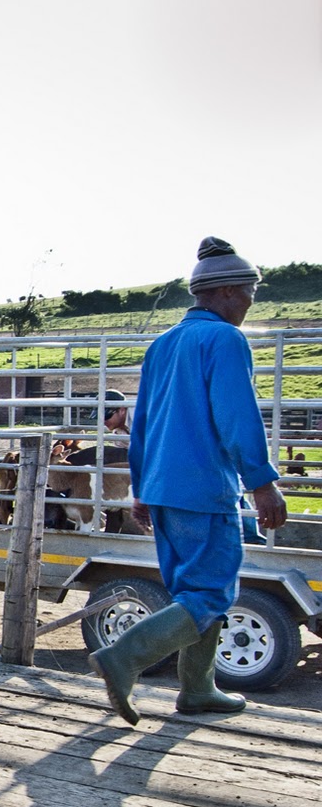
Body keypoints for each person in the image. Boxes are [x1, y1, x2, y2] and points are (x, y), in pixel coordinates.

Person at [90, 237, 287, 723]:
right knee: (212, 593)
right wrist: (262, 482)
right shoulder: (224, 340)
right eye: (250, 292)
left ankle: (199, 688)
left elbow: (143, 423)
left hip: (163, 489)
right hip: (203, 489)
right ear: (227, 291)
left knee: (193, 594)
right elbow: (238, 417)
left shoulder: (163, 344)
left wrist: (142, 487)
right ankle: (124, 657)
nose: (250, 302)